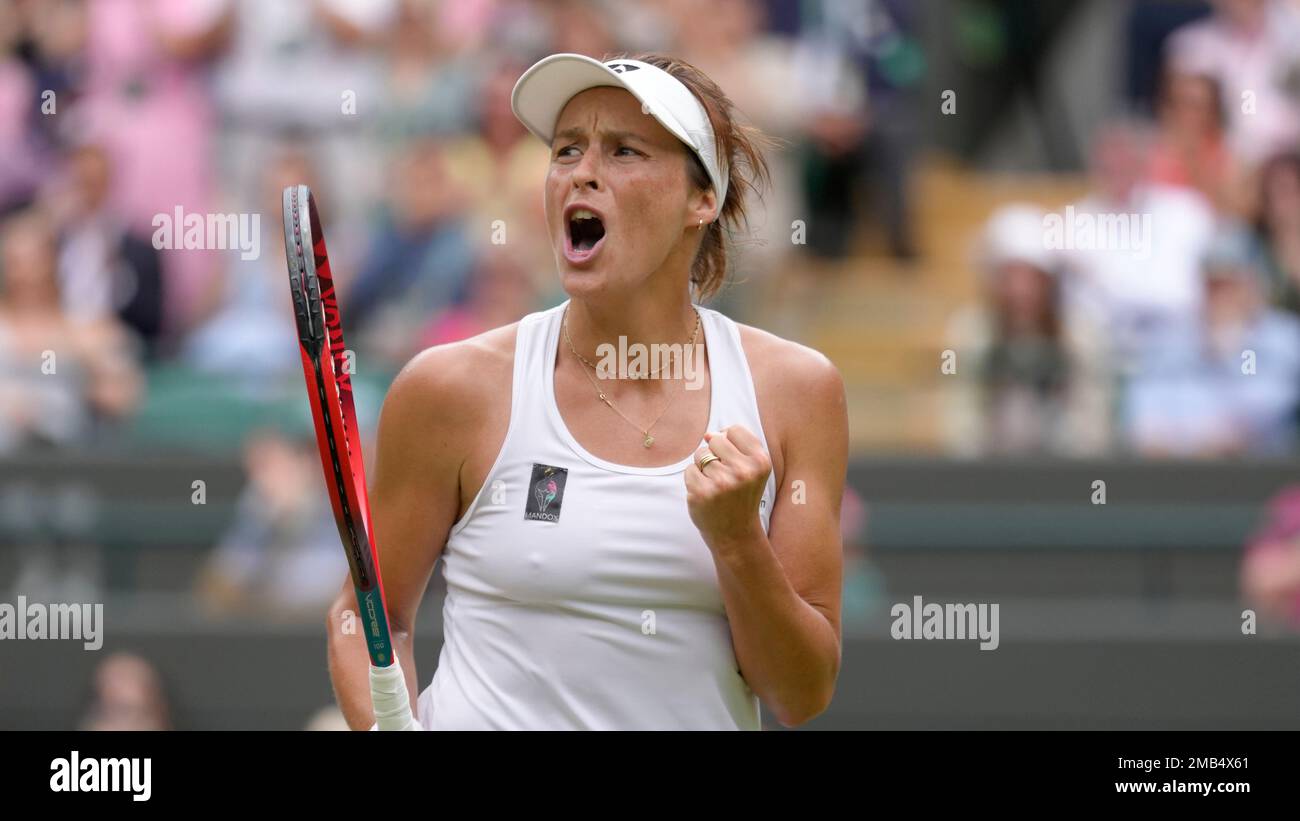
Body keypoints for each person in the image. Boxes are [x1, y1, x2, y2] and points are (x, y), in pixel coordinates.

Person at [326, 52, 847, 730]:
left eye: (624, 151)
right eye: (566, 150)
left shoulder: (796, 390)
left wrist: (736, 540)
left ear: (702, 198)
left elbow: (800, 693)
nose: (582, 172)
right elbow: (367, 614)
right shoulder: (449, 388)